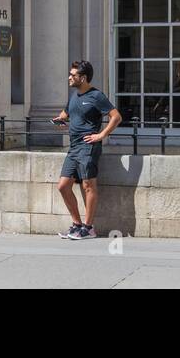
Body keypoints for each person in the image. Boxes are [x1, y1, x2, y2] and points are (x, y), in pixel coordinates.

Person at [51, 60, 121, 240]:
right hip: (73, 147)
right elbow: (66, 113)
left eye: (73, 75)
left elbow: (116, 116)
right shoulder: (74, 96)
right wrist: (59, 120)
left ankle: (89, 228)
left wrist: (101, 135)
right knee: (63, 186)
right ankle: (76, 225)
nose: (69, 77)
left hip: (88, 147)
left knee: (88, 185)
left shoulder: (96, 96)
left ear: (83, 78)